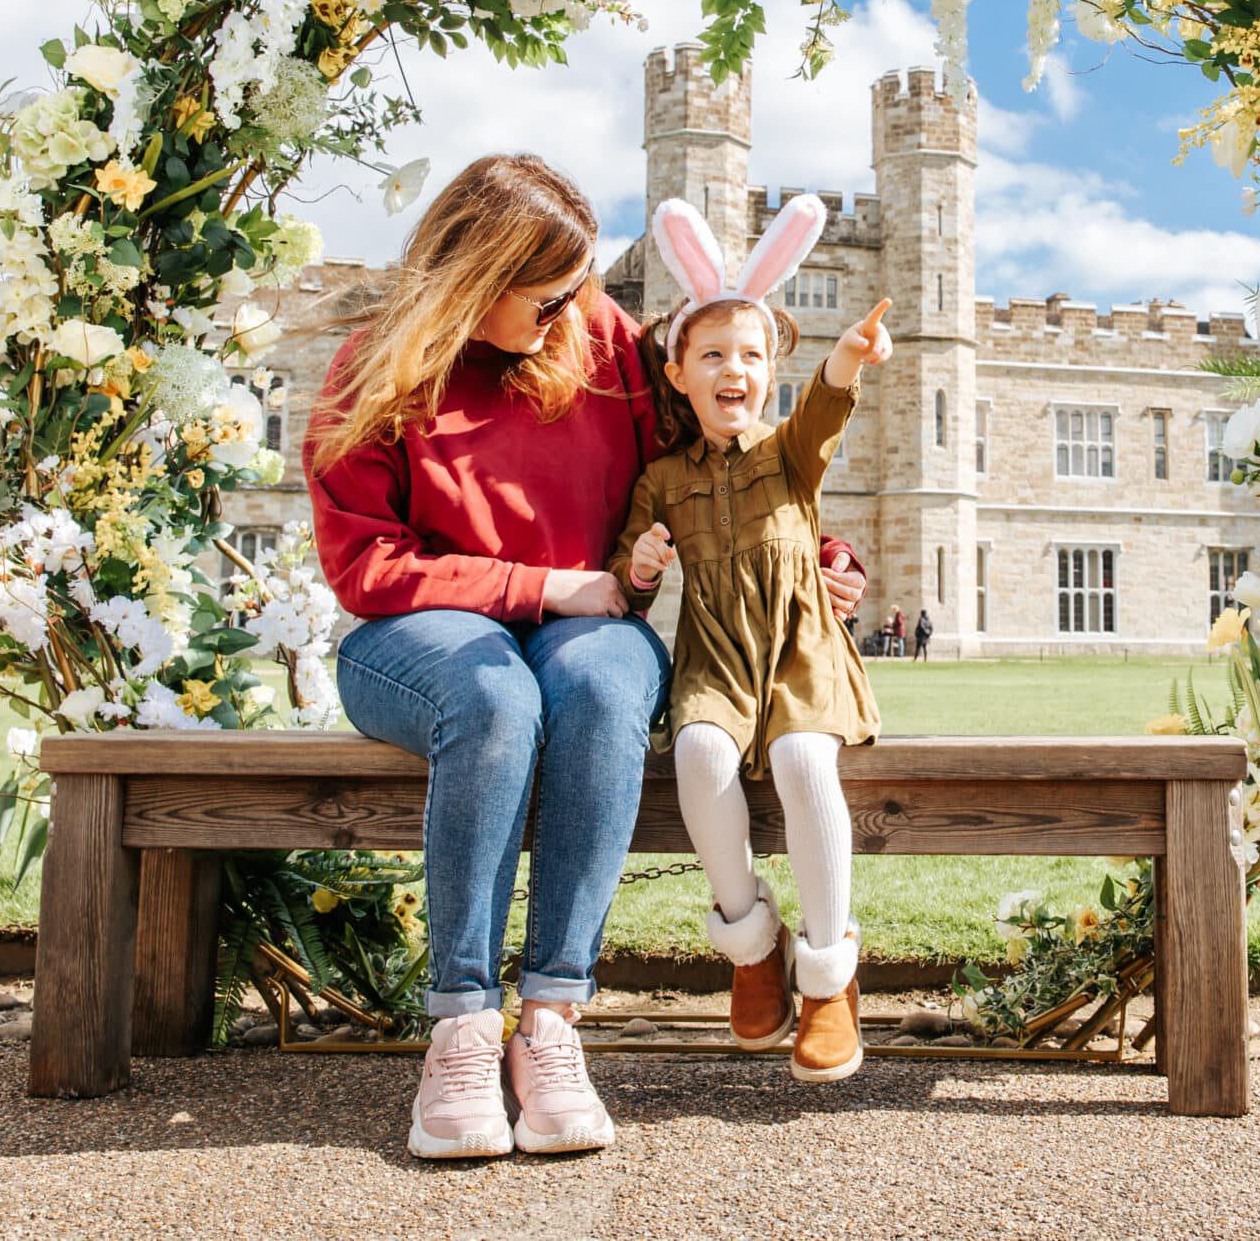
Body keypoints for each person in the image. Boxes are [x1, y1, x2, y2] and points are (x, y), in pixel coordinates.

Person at [303, 155, 866, 1160]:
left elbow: (717, 461)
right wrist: (540, 586)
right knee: (494, 701)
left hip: (587, 630)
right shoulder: (374, 366)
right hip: (418, 633)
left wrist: (818, 557)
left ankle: (554, 1019)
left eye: (582, 285)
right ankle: (463, 1028)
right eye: (549, 292)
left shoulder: (596, 337)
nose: (576, 308)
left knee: (604, 688)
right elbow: (366, 564)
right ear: (473, 278)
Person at [618, 194, 888, 1082]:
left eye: (751, 354)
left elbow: (826, 409)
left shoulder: (787, 453)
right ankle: (748, 948)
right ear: (680, 374)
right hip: (715, 655)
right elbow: (628, 571)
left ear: (770, 371)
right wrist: (648, 561)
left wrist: (848, 354)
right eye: (713, 355)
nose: (734, 368)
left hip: (802, 648)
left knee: (809, 766)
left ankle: (825, 976)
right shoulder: (661, 477)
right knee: (698, 758)